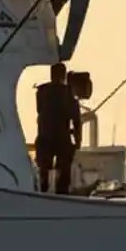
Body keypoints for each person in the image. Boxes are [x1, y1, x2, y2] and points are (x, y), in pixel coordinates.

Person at [34, 63, 82, 194]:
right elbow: (76, 120)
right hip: (62, 137)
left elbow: (39, 111)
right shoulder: (68, 93)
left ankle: (42, 192)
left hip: (45, 136)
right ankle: (61, 194)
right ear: (63, 75)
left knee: (43, 170)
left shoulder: (42, 91)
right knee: (64, 170)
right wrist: (78, 140)